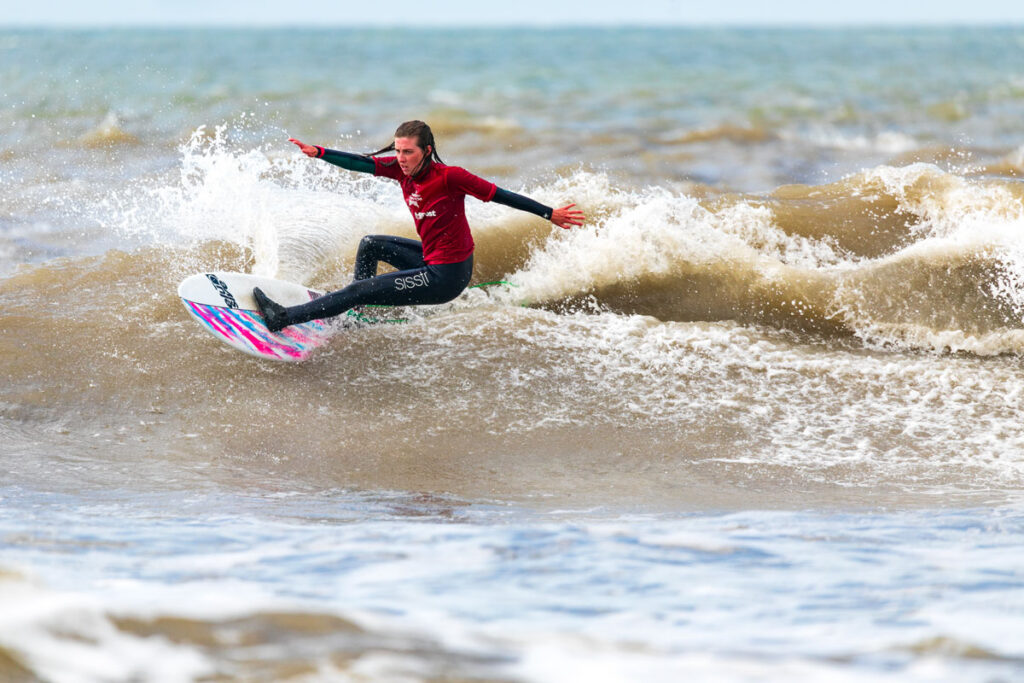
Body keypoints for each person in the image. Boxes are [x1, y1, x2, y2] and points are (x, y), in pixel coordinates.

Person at [253, 120, 585, 332]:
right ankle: (353, 312)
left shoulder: (451, 177)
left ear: (426, 151)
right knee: (371, 244)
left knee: (356, 290)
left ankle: (284, 318)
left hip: (447, 277)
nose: (400, 158)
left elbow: (501, 195)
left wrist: (549, 213)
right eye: (397, 151)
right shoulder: (400, 171)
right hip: (430, 259)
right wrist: (320, 152)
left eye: (407, 152)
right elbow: (361, 163)